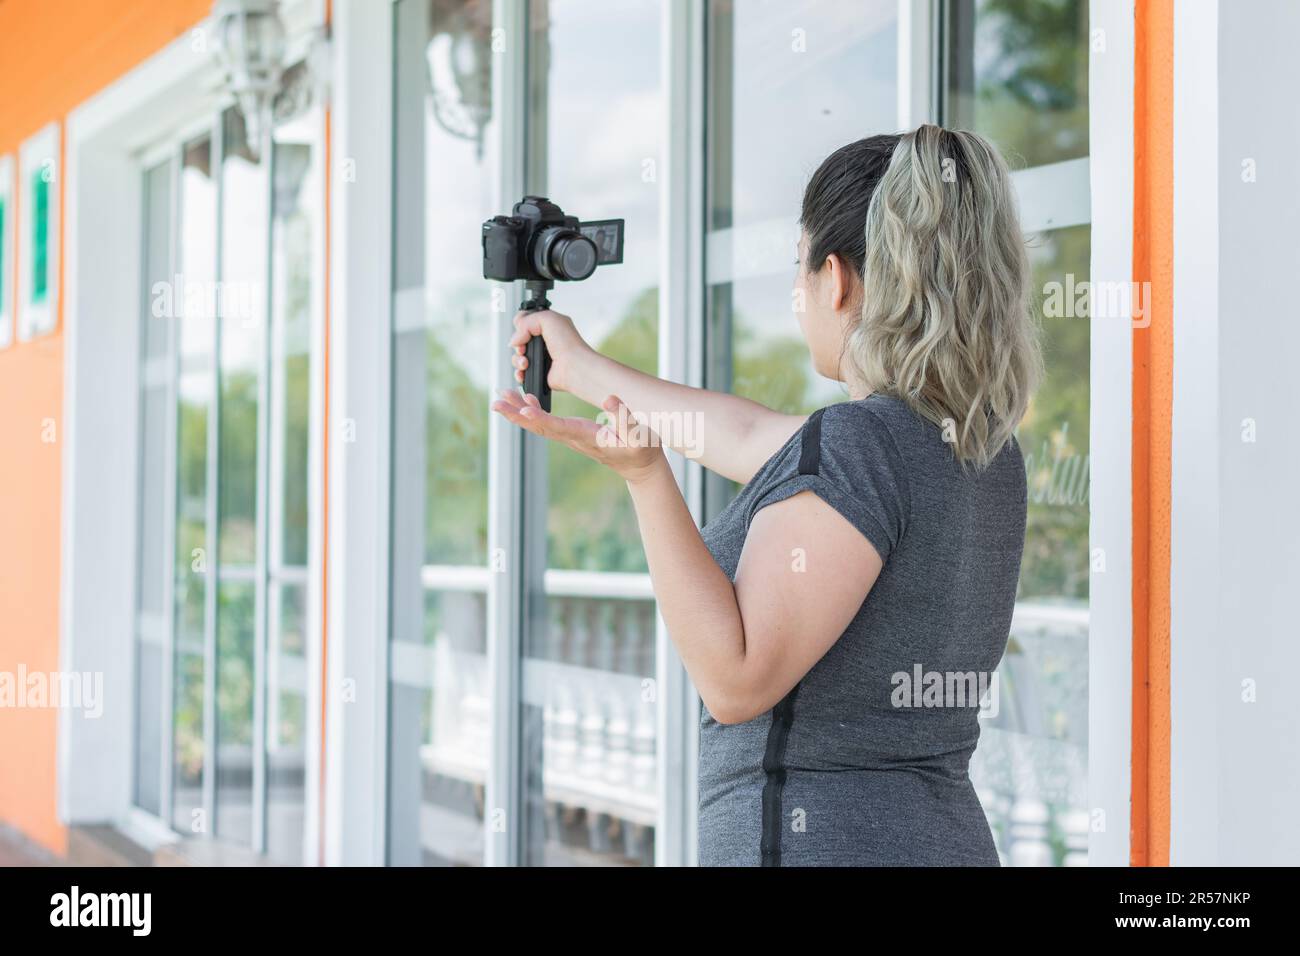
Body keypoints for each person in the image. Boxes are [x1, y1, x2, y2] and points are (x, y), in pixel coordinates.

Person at [491, 125, 1042, 866]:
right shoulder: (979, 447)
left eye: (799, 266)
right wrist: (582, 369)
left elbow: (736, 679)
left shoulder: (857, 445)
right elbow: (752, 438)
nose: (796, 291)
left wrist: (647, 481)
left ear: (837, 279)